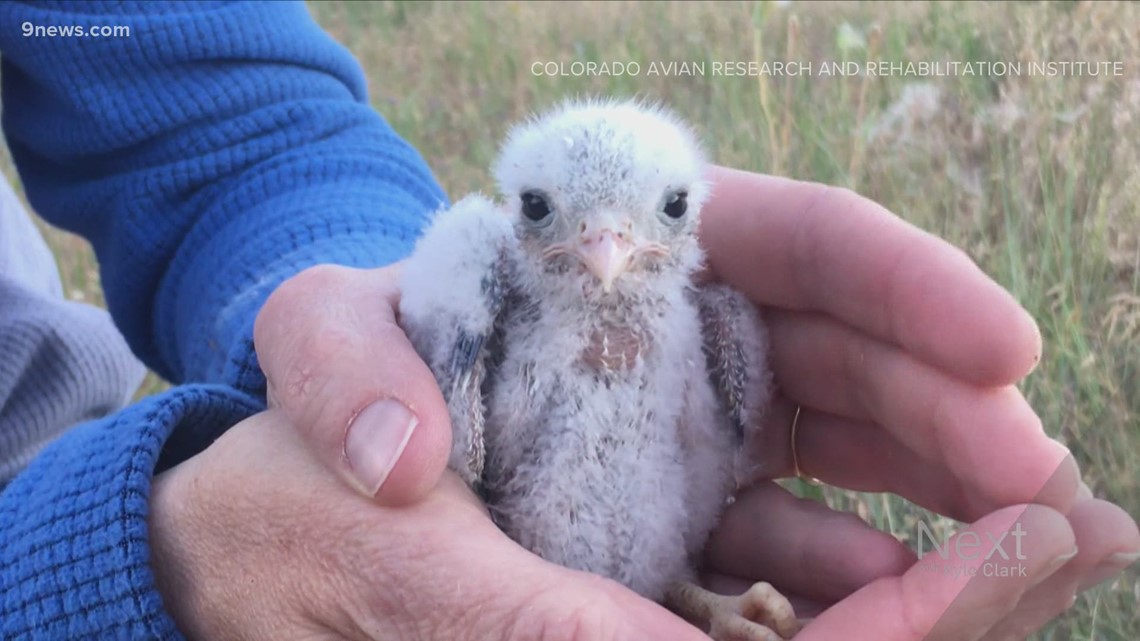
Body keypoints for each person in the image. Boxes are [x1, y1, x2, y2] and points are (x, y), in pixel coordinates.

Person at [0, 2, 1135, 640]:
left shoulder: (717, 325)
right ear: (519, 209)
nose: (604, 248)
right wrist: (128, 566)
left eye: (654, 218)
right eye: (553, 215)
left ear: (688, 215)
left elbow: (218, 117)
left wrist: (332, 336)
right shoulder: (483, 290)